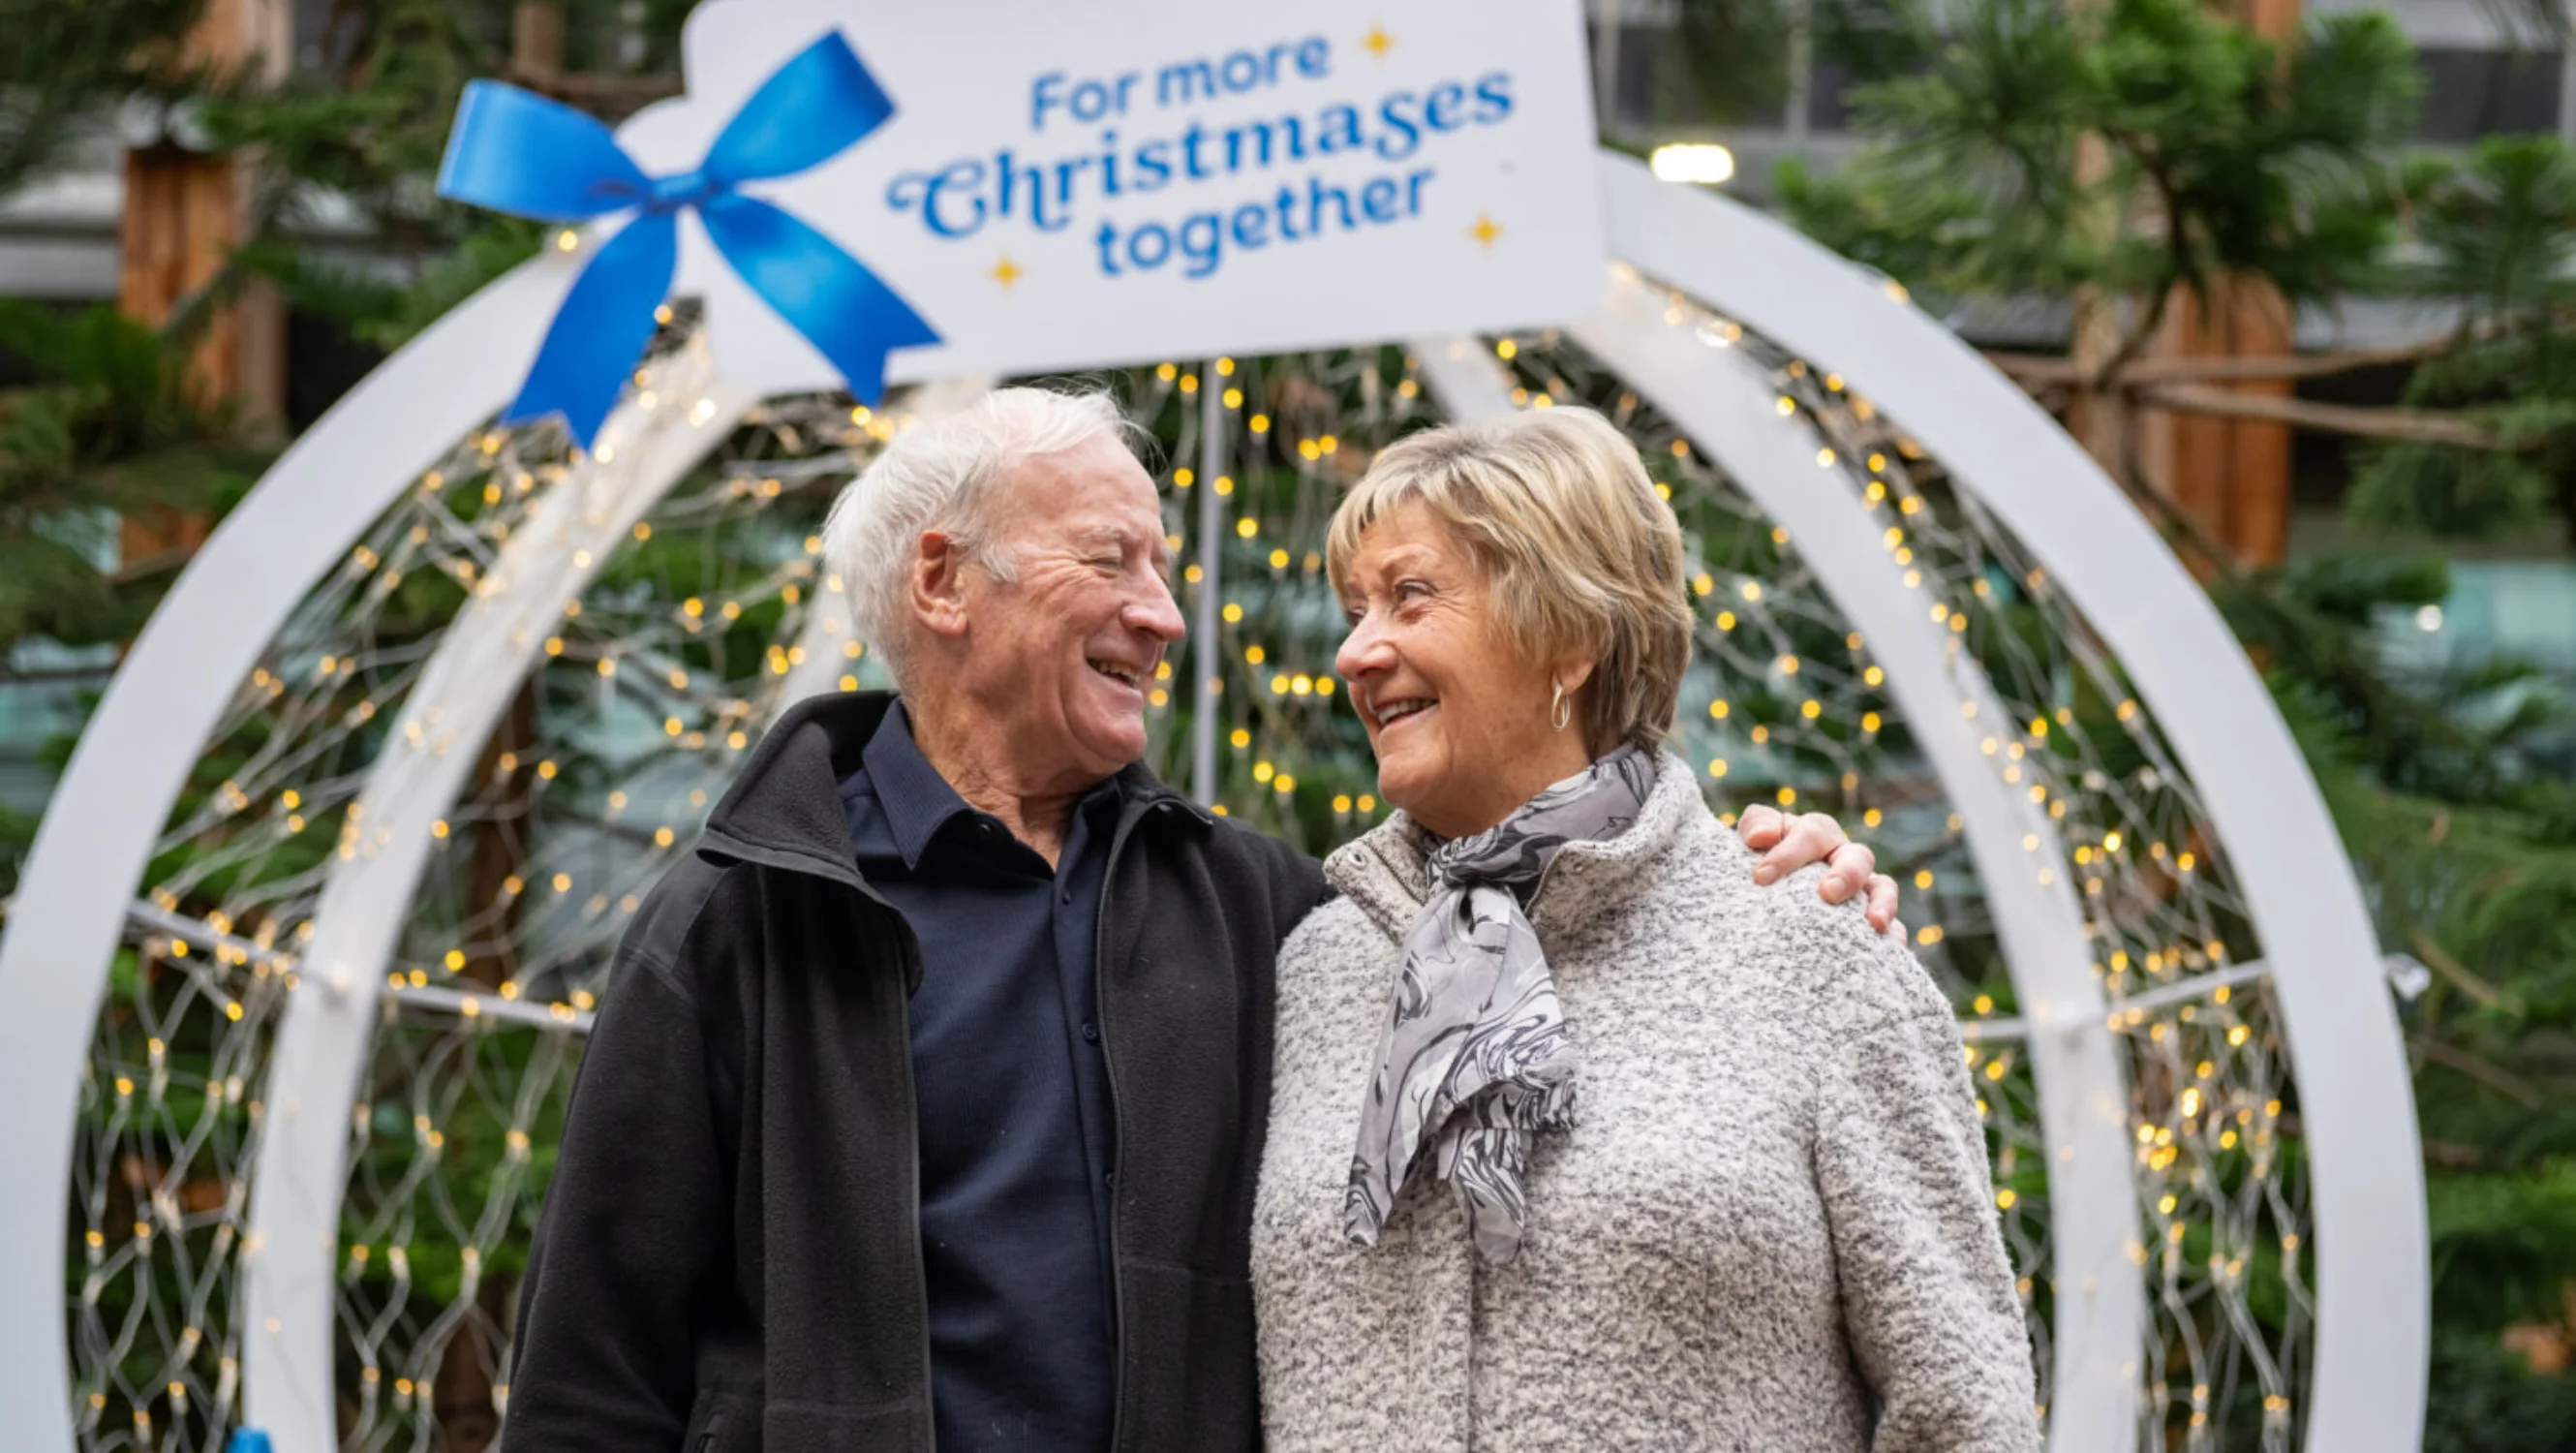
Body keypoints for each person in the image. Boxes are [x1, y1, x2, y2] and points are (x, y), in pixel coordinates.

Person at [501, 387, 1900, 1453]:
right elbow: (590, 1388)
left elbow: (1565, 917)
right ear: (942, 585)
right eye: (1113, 564)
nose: (1164, 618)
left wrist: (1781, 868)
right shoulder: (741, 926)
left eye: (1164, 571)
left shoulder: (1284, 918)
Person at [1251, 407, 2040, 1451]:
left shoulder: (1804, 948)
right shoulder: (1315, 968)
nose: (1357, 652)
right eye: (1354, 608)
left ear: (1568, 635)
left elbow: (1963, 1412)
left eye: (1409, 596)